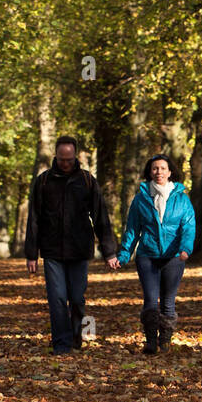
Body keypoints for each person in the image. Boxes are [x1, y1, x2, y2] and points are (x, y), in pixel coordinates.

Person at [25, 135, 118, 356]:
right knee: (57, 298)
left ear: (75, 156)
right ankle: (61, 344)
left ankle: (78, 335)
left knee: (77, 298)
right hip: (52, 250)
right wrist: (31, 254)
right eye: (61, 159)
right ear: (55, 157)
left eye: (69, 159)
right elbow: (34, 218)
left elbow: (100, 216)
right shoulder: (44, 181)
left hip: (79, 249)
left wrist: (109, 251)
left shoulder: (87, 180)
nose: (65, 163)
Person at [118, 153, 195, 355]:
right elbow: (132, 230)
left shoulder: (182, 199)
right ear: (149, 172)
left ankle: (166, 341)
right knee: (151, 301)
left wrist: (186, 248)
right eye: (154, 168)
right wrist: (124, 255)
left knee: (168, 301)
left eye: (162, 168)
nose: (158, 171)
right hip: (147, 256)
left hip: (174, 257)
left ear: (170, 172)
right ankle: (151, 342)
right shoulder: (141, 199)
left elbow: (188, 226)